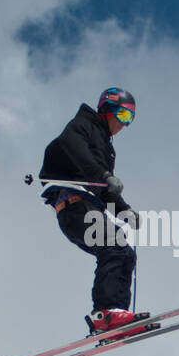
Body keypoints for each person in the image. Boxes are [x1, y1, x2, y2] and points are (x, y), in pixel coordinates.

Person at [38, 88, 141, 332]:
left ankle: (115, 316)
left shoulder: (104, 147)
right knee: (114, 245)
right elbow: (73, 147)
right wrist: (103, 174)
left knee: (124, 252)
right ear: (108, 108)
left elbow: (104, 191)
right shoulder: (81, 126)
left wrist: (124, 210)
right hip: (73, 205)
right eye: (124, 116)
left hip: (86, 207)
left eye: (131, 120)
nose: (125, 125)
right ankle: (105, 313)